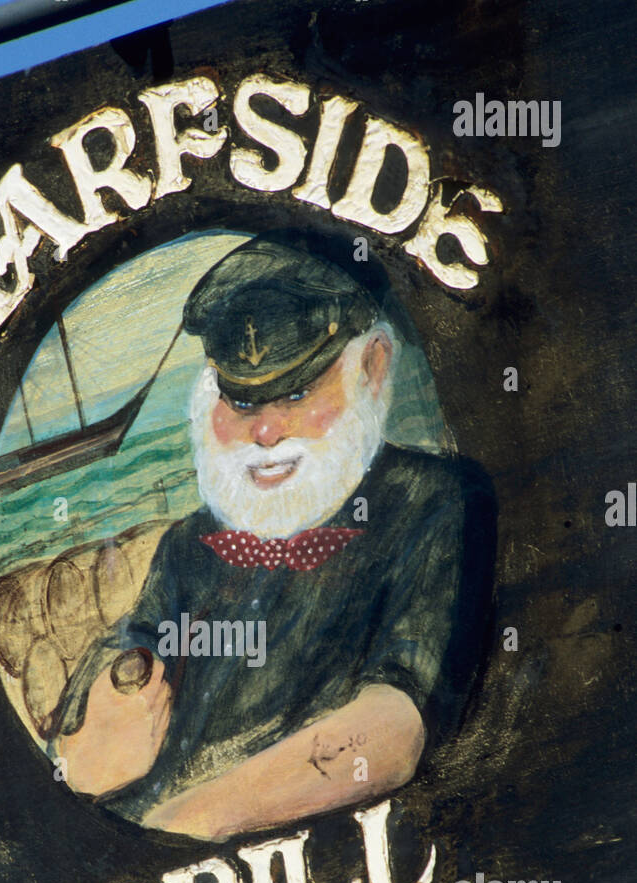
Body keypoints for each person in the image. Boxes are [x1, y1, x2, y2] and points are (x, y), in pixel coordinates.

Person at [48, 230, 496, 840]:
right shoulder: (187, 545)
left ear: (373, 365)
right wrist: (80, 763)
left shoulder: (434, 503)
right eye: (241, 403)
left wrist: (193, 821)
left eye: (296, 393)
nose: (266, 432)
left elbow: (392, 728)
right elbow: (125, 663)